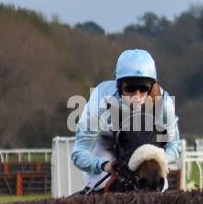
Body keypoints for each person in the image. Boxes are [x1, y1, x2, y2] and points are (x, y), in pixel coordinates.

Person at [72, 48, 182, 191]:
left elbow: (174, 146)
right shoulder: (101, 100)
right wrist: (103, 165)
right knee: (98, 184)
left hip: (148, 149)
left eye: (143, 88)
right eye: (130, 88)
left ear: (151, 87)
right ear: (119, 85)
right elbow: (79, 152)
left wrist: (159, 159)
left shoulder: (164, 103)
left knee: (159, 185)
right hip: (107, 145)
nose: (137, 95)